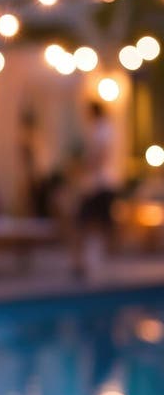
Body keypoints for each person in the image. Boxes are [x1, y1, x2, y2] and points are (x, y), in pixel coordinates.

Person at [73, 101, 119, 276]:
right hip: (97, 183)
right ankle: (89, 261)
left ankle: (96, 260)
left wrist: (85, 168)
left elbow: (101, 154)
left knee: (91, 223)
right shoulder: (99, 129)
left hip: (99, 184)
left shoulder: (102, 129)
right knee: (98, 223)